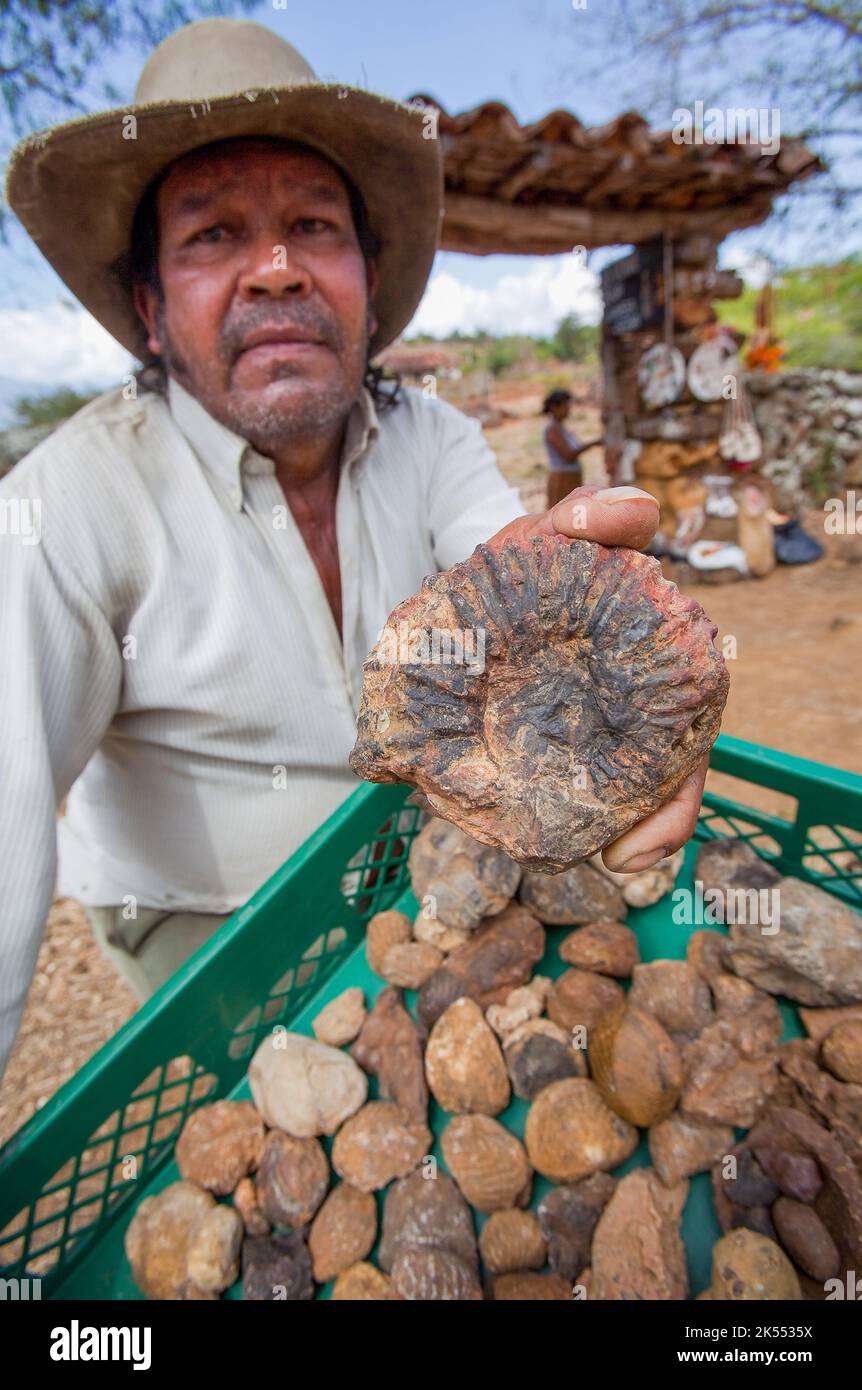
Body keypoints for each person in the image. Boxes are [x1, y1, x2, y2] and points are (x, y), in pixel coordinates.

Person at [0, 18, 707, 1081]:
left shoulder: (432, 436)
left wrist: (578, 611)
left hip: (416, 865)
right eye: (211, 235)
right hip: (205, 916)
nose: (275, 271)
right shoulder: (67, 503)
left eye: (313, 227)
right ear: (151, 309)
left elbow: (506, 570)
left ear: (367, 285)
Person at [542, 388, 603, 509]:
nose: (569, 409)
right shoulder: (552, 428)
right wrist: (593, 443)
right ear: (555, 407)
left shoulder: (560, 427)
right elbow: (568, 455)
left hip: (569, 477)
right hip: (562, 479)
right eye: (566, 406)